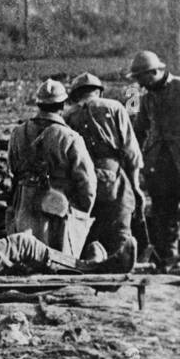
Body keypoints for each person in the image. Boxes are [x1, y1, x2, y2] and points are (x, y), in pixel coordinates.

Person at [6, 79, 96, 256]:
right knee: (57, 260)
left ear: (38, 104)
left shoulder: (18, 133)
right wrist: (80, 212)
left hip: (24, 205)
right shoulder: (70, 137)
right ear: (62, 105)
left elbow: (13, 170)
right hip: (57, 210)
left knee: (24, 256)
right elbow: (87, 183)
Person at [63, 72, 142, 270]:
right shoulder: (115, 107)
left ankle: (91, 261)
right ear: (98, 91)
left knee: (86, 225)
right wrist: (136, 185)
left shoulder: (67, 116)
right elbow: (130, 150)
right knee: (120, 221)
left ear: (75, 94)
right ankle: (121, 261)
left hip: (79, 176)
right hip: (113, 172)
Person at [129, 50, 180, 268]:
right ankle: (169, 257)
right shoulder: (145, 97)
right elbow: (139, 130)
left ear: (153, 72)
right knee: (163, 211)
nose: (139, 83)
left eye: (142, 77)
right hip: (159, 164)